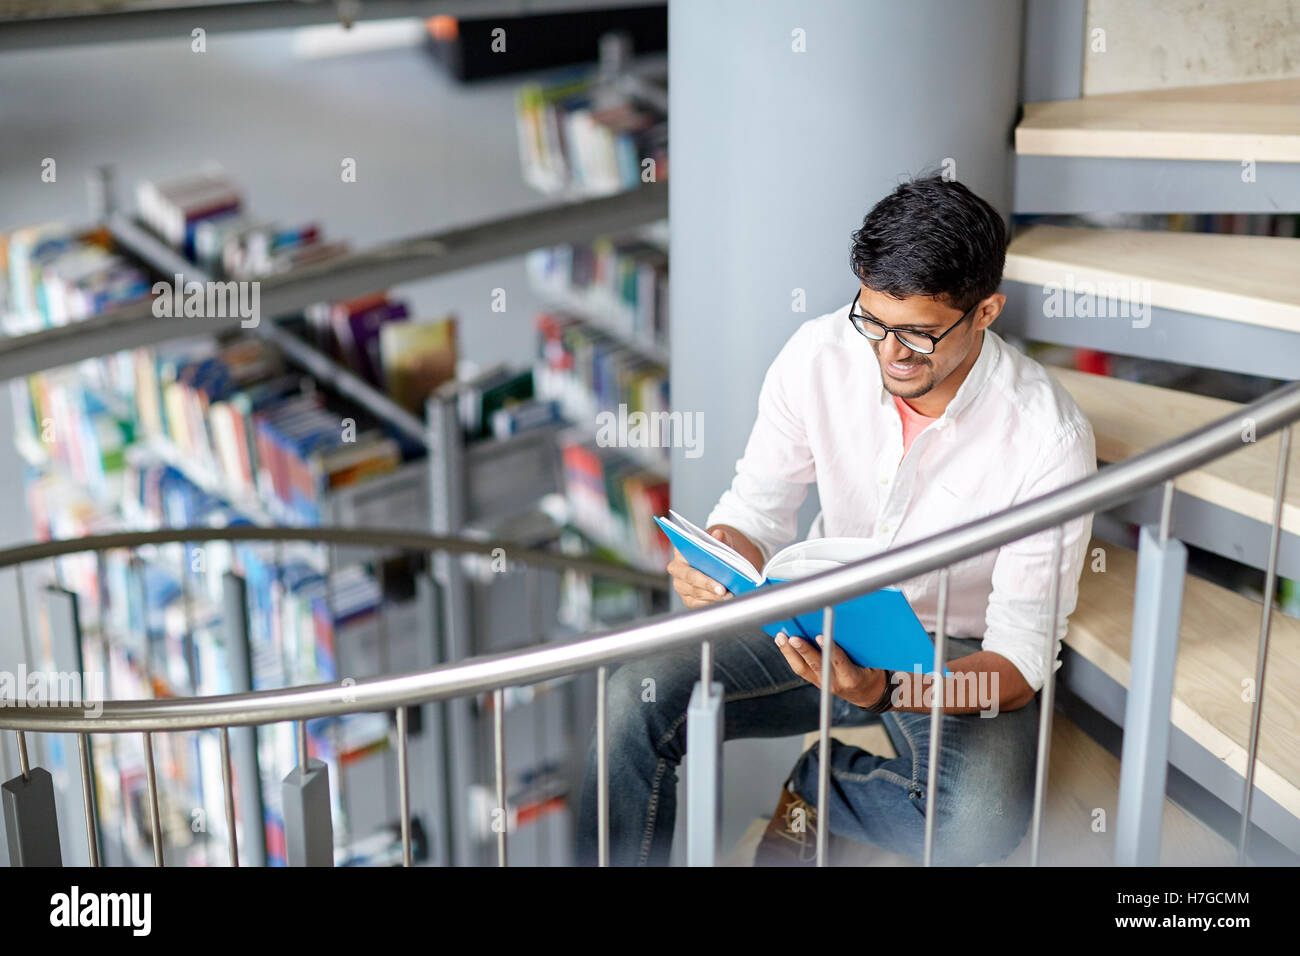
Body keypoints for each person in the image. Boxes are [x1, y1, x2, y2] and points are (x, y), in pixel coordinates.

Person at [577, 173, 1097, 866]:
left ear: (986, 312)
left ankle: (824, 790)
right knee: (630, 701)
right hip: (818, 621)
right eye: (874, 321)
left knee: (978, 824)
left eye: (917, 335)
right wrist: (722, 555)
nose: (889, 354)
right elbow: (756, 511)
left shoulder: (1047, 440)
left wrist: (887, 688)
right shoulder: (818, 356)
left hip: (952, 652)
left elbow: (1020, 662)